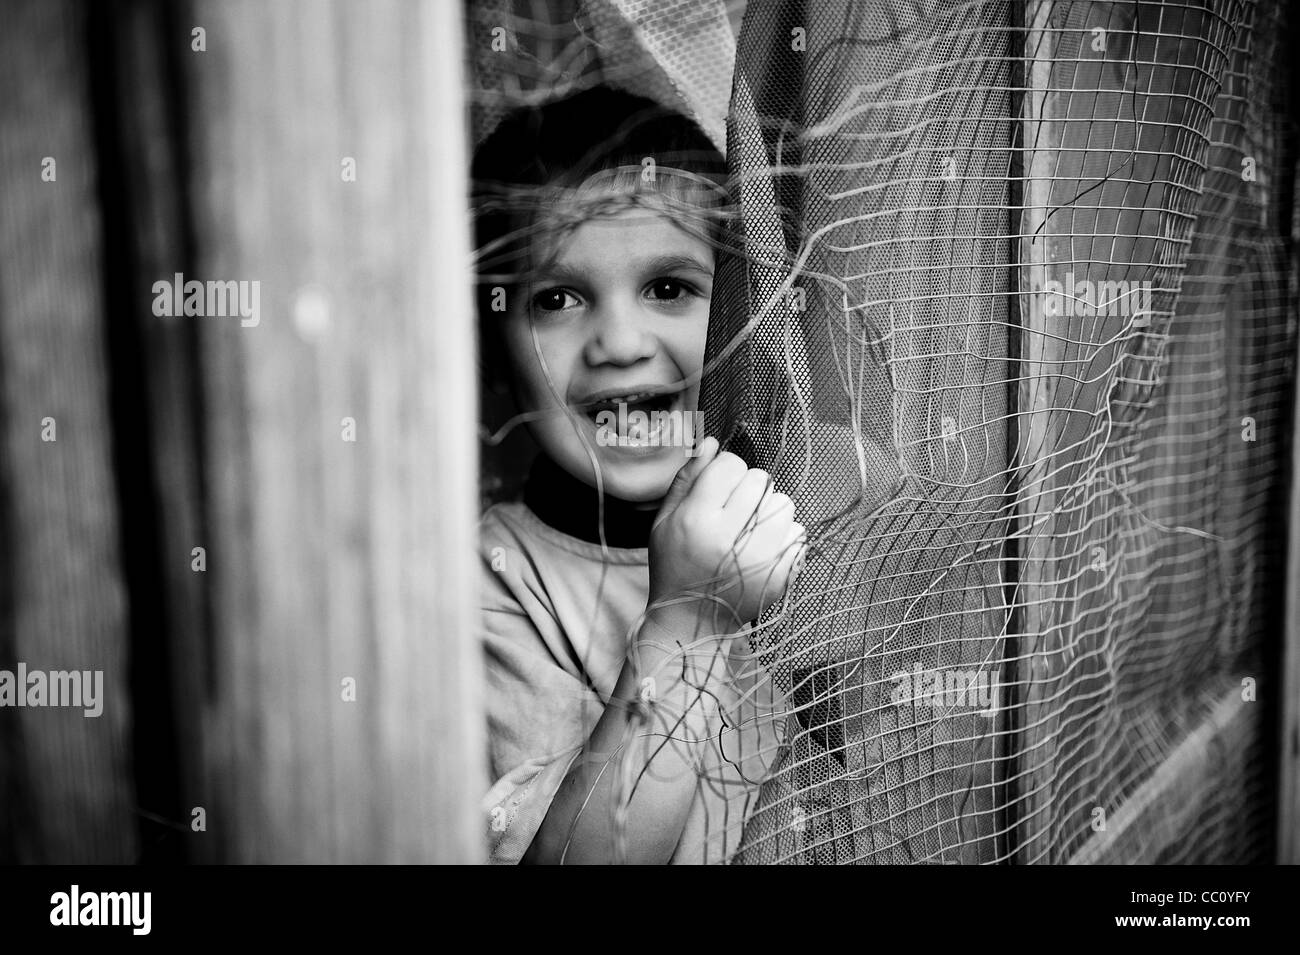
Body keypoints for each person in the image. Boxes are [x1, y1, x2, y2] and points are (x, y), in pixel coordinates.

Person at [473, 86, 804, 864]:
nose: (619, 341)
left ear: (745, 313)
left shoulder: (808, 491)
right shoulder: (493, 585)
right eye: (557, 298)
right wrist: (687, 619)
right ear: (493, 356)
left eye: (668, 287)